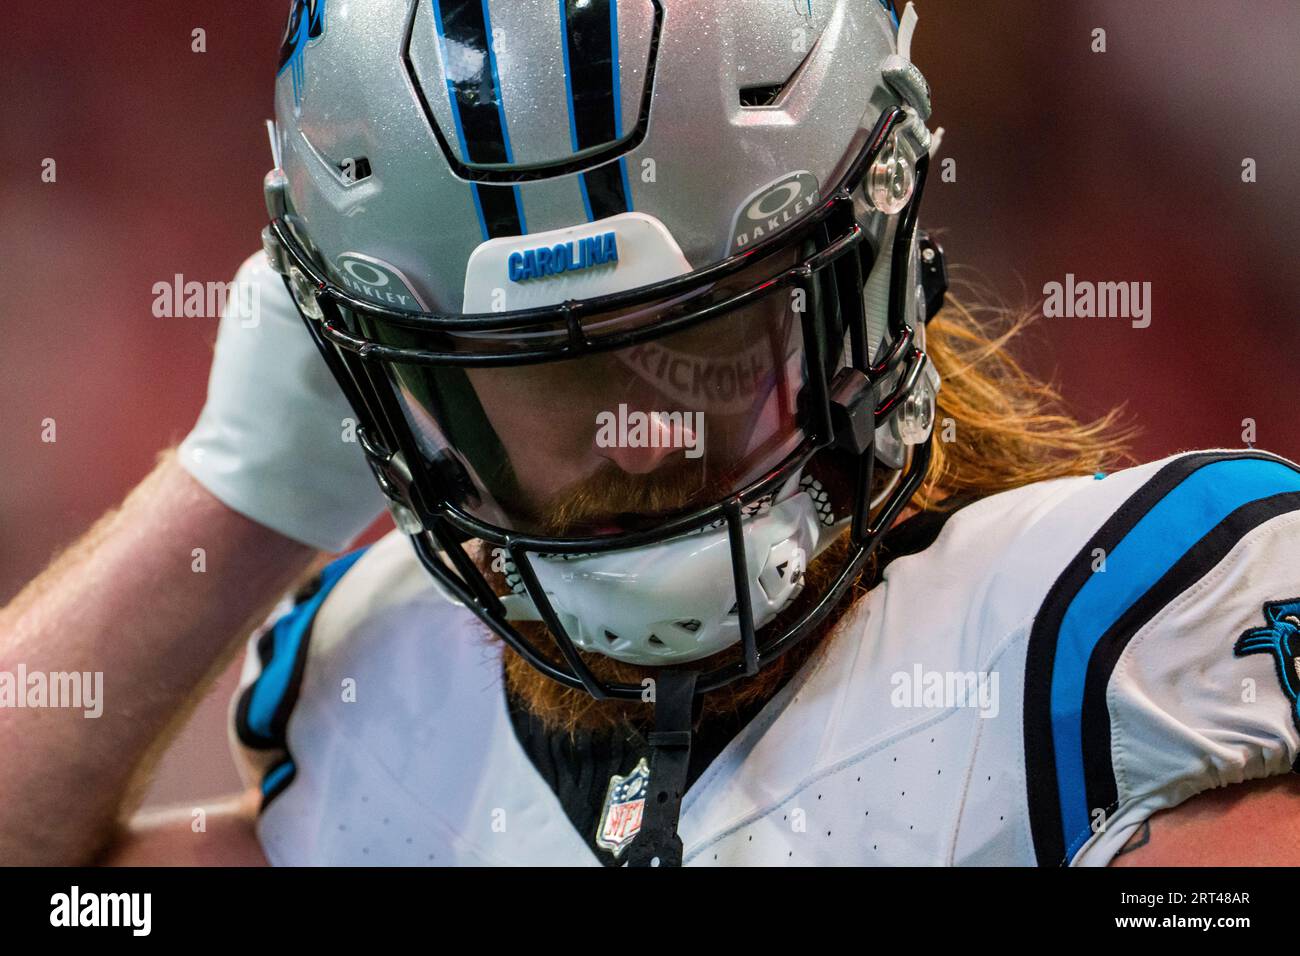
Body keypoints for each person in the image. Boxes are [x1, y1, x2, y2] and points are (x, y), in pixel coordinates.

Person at [4, 0, 1300, 867]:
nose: (630, 439)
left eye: (695, 346)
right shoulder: (390, 697)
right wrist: (234, 495)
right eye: (538, 378)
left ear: (871, 280)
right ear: (388, 374)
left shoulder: (1130, 620)